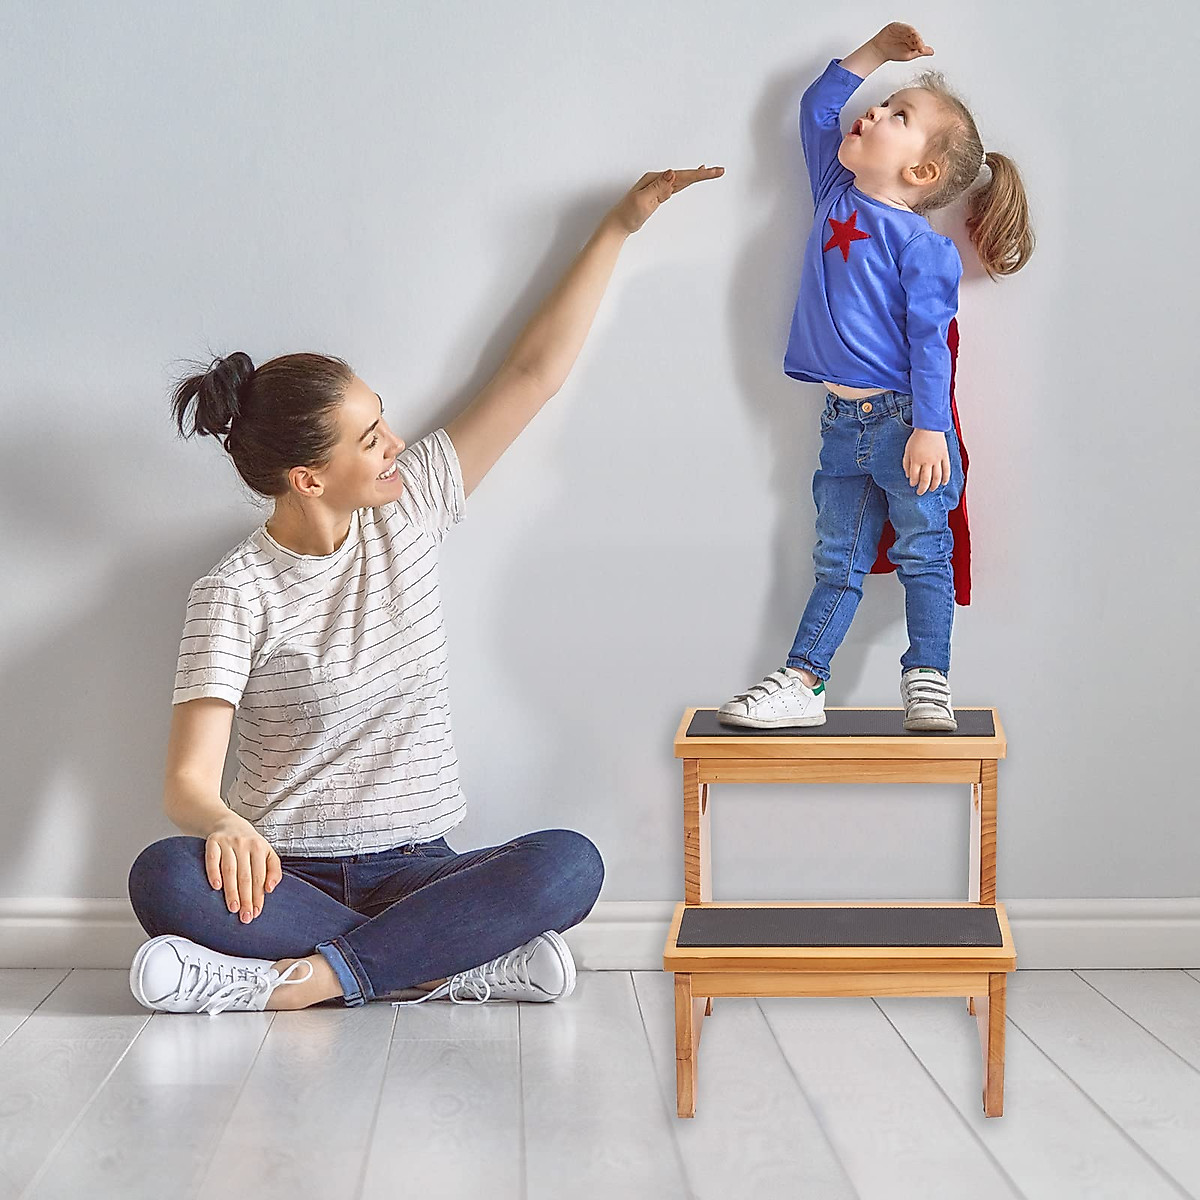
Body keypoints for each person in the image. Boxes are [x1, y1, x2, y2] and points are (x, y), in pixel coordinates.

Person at [127, 162, 724, 1016]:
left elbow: (532, 377)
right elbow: (187, 781)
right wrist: (224, 826)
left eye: (383, 418)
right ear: (307, 478)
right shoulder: (234, 592)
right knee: (163, 877)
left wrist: (620, 226)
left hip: (420, 869)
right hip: (281, 874)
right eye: (370, 439)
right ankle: (443, 966)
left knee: (570, 862)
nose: (396, 444)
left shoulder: (409, 510)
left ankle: (304, 981)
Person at [718, 21, 1033, 732]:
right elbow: (816, 110)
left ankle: (928, 680)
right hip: (841, 426)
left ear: (921, 173)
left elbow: (932, 346)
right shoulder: (834, 188)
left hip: (905, 425)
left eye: (899, 115)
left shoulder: (923, 248)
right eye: (882, 104)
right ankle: (804, 681)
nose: (873, 112)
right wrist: (874, 56)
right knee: (837, 561)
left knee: (927, 555)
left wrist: (931, 429)